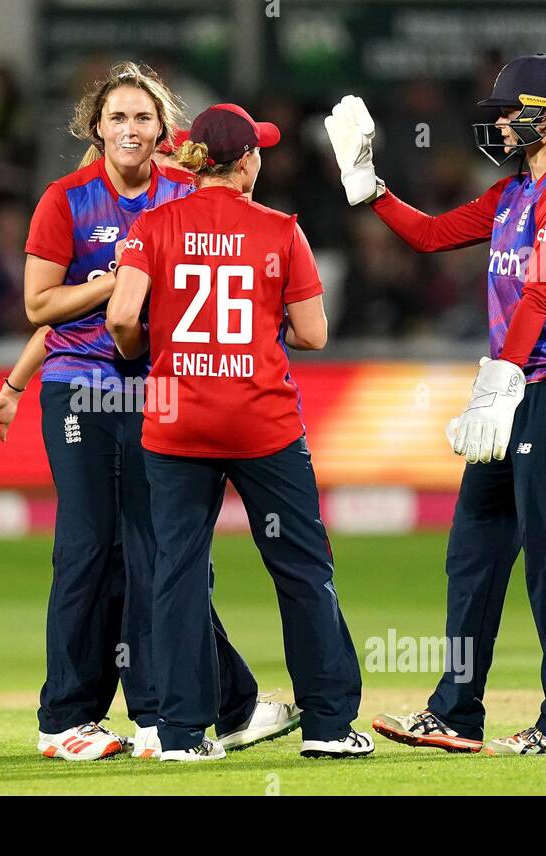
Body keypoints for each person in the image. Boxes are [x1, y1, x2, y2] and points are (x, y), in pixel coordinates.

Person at [0, 63, 296, 761]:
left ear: (164, 130)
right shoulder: (65, 200)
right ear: (97, 127)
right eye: (117, 117)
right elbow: (39, 307)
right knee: (90, 547)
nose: (129, 129)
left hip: (161, 387)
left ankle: (173, 712)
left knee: (165, 554)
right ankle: (66, 719)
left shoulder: (182, 193)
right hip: (84, 388)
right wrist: (108, 293)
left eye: (142, 118)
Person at [327, 53, 546, 755]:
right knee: (474, 554)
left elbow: (544, 290)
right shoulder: (516, 189)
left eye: (513, 113)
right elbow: (431, 234)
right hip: (516, 388)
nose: (502, 125)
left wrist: (500, 378)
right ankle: (456, 712)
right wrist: (370, 188)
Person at [106, 103, 372, 761]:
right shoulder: (282, 230)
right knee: (303, 570)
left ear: (197, 162)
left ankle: (180, 733)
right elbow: (313, 332)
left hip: (178, 423)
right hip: (263, 423)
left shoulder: (153, 225)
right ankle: (329, 727)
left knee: (179, 574)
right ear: (248, 160)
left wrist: (155, 347)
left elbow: (119, 318)